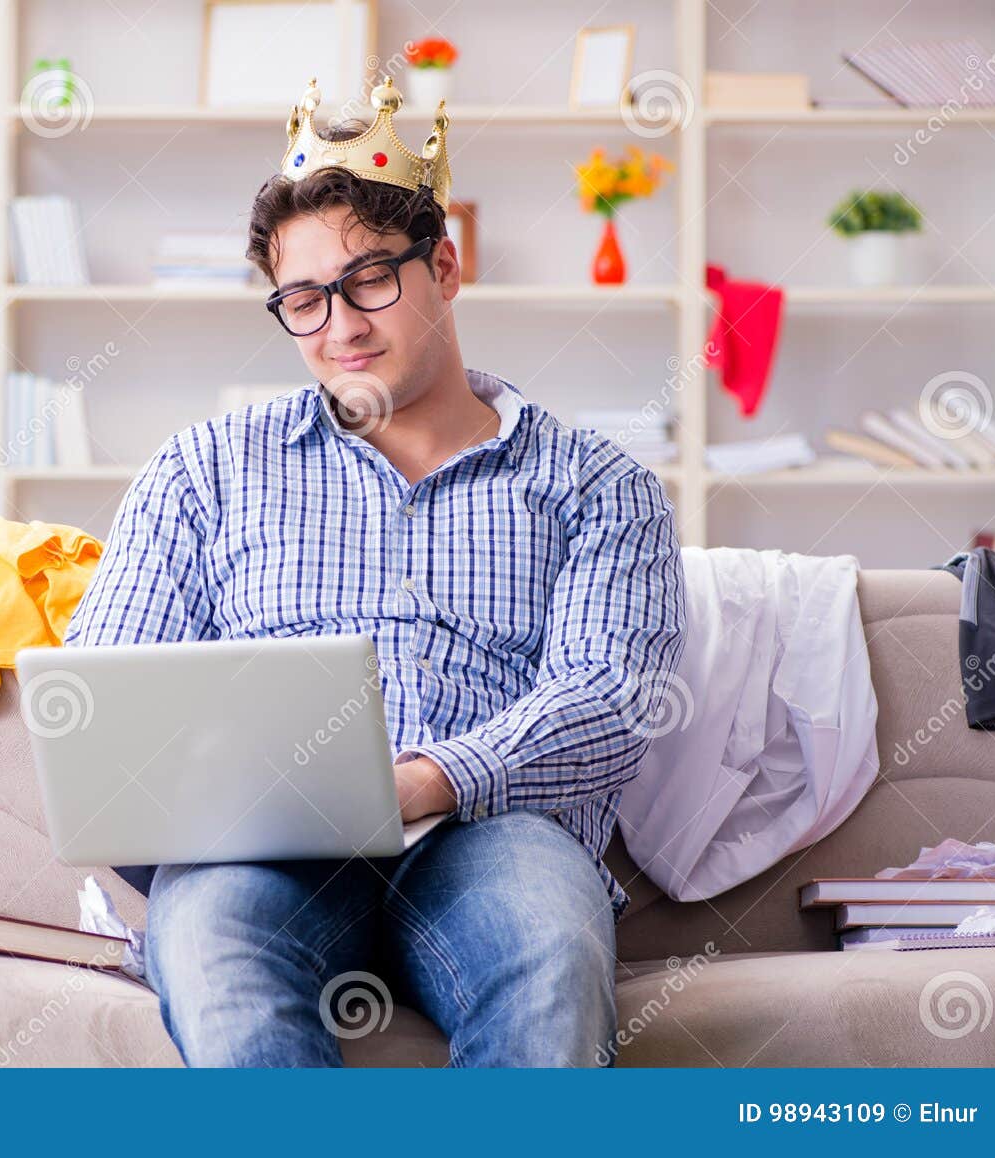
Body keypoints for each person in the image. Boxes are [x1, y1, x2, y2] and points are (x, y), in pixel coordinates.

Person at [61, 77, 687, 1067]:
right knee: (213, 949)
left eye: (369, 281)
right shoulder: (206, 468)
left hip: (494, 832)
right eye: (302, 301)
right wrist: (235, 791)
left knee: (551, 961)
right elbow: (101, 692)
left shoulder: (596, 481)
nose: (340, 326)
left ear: (443, 265)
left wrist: (417, 781)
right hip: (261, 845)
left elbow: (612, 702)